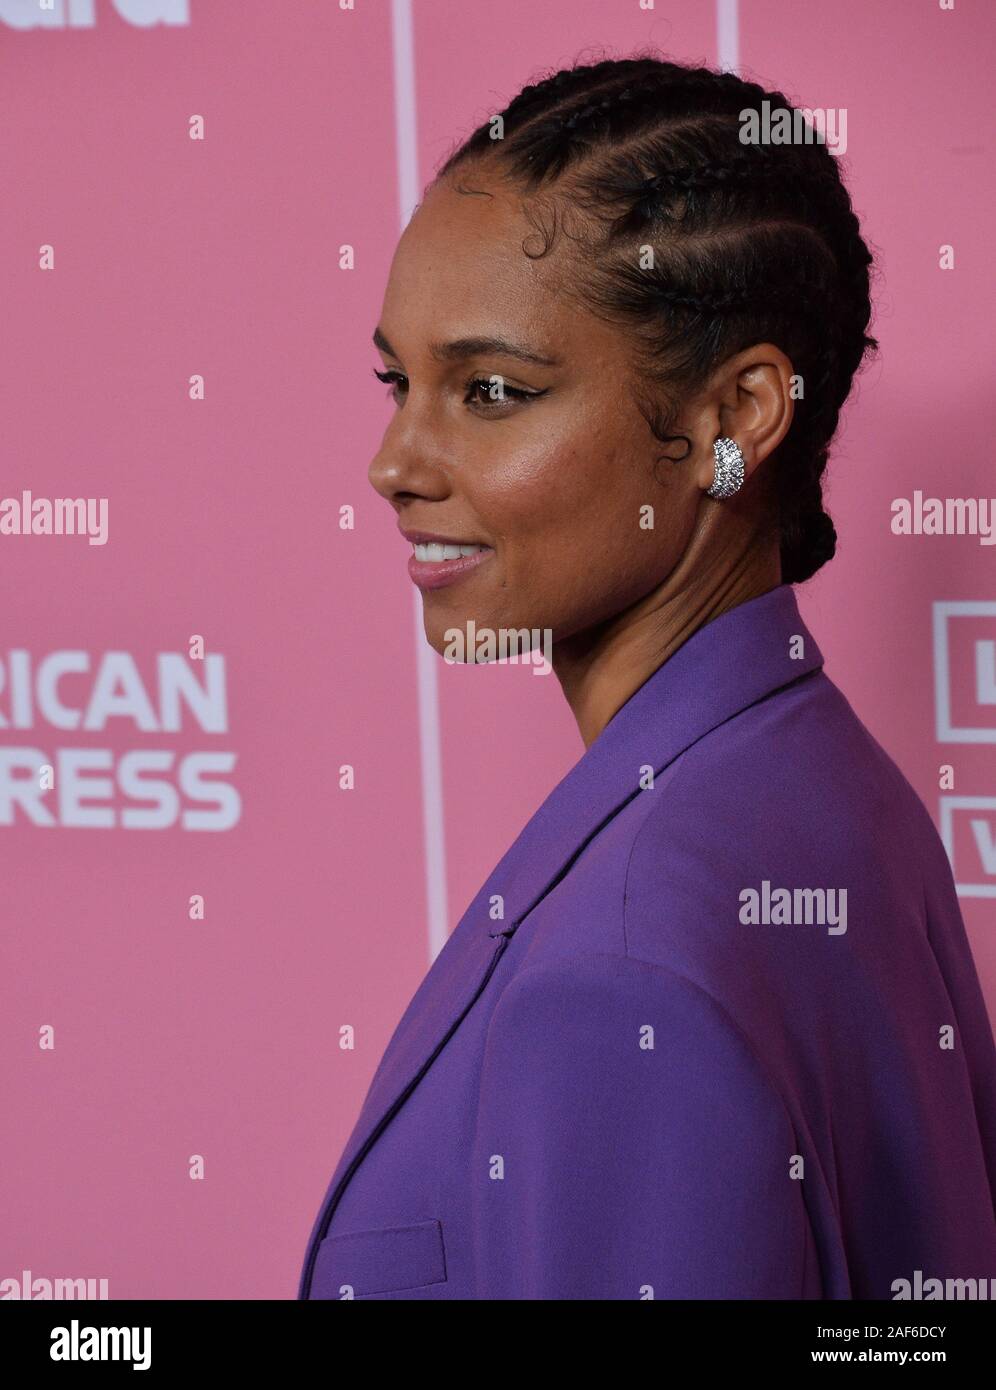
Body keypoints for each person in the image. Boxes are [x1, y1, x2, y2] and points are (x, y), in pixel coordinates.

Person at [298, 54, 996, 1300]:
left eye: (494, 391)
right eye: (400, 384)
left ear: (734, 417)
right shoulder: (840, 794)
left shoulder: (624, 975)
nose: (394, 463)